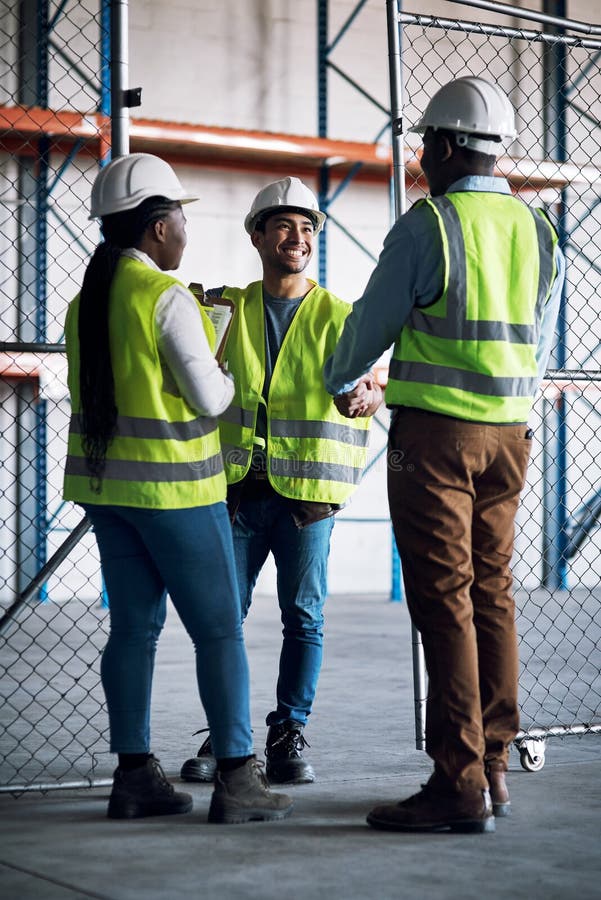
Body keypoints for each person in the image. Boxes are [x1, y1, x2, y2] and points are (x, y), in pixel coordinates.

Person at [324, 76, 565, 834]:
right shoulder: (537, 231)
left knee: (444, 602)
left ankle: (454, 783)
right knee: (491, 595)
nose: (421, 156)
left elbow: (371, 321)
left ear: (450, 145)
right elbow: (534, 336)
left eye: (426, 142)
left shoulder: (430, 223)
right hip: (510, 438)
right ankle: (493, 767)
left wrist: (341, 380)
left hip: (435, 443)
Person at [63, 152, 292, 825]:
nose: (185, 234)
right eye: (179, 221)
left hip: (110, 495)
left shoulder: (86, 301)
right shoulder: (166, 298)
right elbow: (211, 396)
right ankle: (236, 779)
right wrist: (218, 364)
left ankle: (134, 777)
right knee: (219, 630)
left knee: (133, 628)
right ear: (158, 228)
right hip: (177, 495)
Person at [180, 176, 382, 786]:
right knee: (223, 616)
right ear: (256, 235)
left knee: (304, 617)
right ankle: (230, 735)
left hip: (306, 499)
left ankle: (288, 732)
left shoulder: (338, 314)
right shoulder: (224, 307)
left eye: (307, 228)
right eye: (284, 226)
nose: (297, 238)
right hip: (236, 492)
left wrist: (367, 399)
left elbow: (369, 387)